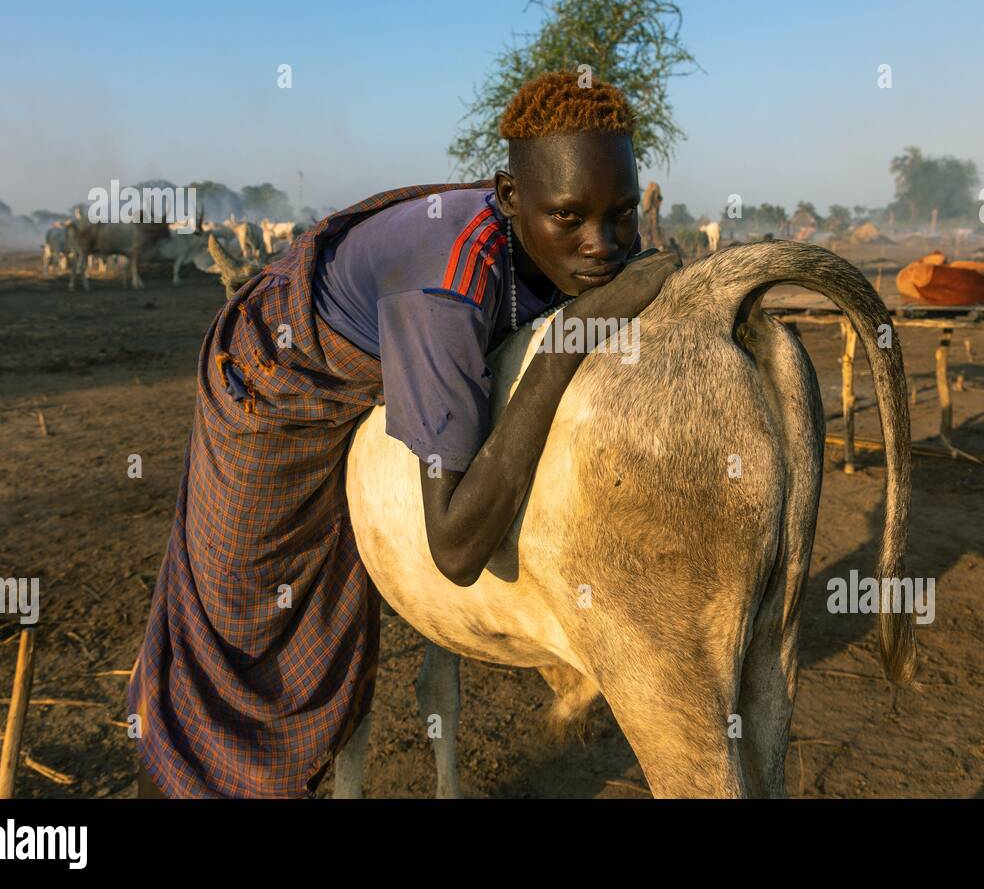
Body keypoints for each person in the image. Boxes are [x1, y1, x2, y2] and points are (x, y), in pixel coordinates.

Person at [128, 70, 680, 797]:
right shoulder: (446, 285)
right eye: (570, 217)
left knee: (334, 613)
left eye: (621, 218)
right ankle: (173, 780)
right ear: (510, 198)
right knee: (239, 638)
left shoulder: (547, 243)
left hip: (374, 358)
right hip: (271, 381)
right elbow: (453, 548)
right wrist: (566, 343)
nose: (602, 246)